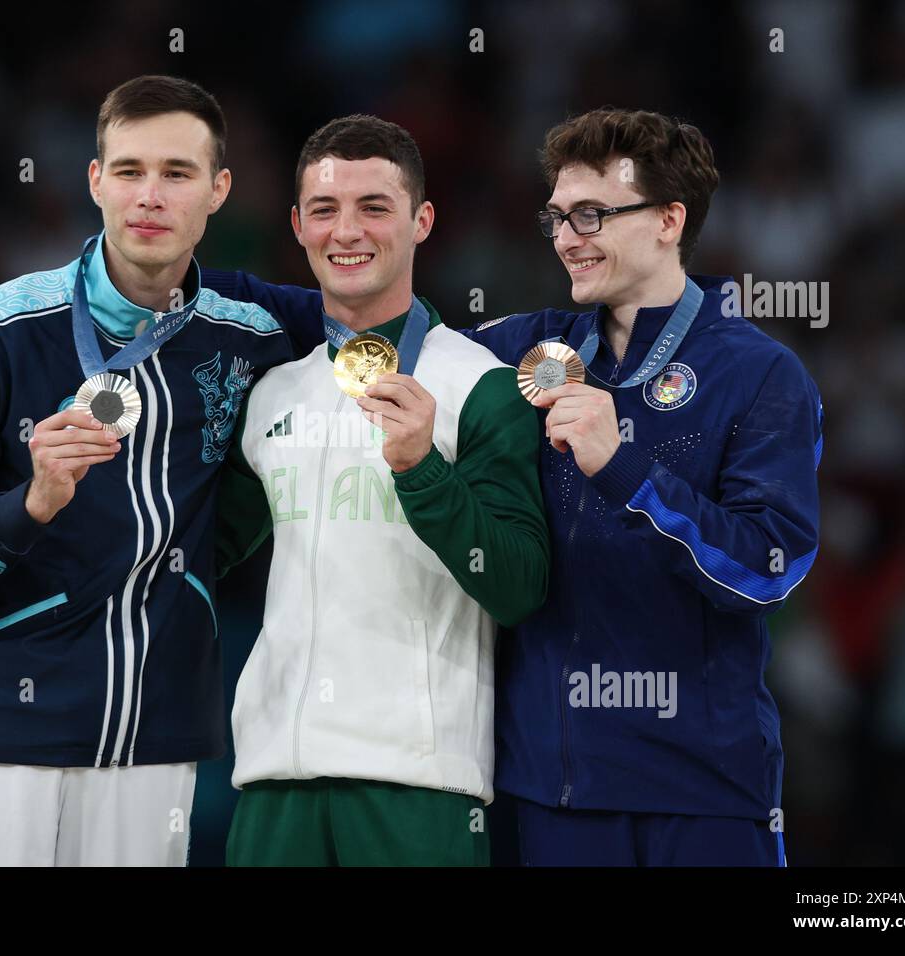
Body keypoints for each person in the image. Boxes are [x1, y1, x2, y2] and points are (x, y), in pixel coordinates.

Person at [206, 107, 823, 866]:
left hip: (699, 784)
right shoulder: (523, 349)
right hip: (548, 789)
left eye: (593, 215)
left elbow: (772, 570)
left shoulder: (759, 373)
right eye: (557, 216)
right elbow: (358, 303)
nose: (567, 237)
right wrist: (167, 278)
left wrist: (625, 470)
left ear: (669, 220)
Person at [0, 75, 295, 866]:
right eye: (131, 170)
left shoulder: (250, 339)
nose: (151, 195)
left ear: (219, 191)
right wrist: (29, 505)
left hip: (157, 738)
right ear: (94, 181)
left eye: (177, 174)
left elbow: (366, 310)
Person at [213, 115, 549, 866]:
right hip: (271, 777)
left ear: (422, 220)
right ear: (298, 225)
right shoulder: (272, 394)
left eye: (374, 206)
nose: (347, 231)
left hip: (417, 785)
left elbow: (521, 585)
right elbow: (197, 559)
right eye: (325, 210)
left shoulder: (481, 388)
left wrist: (423, 469)